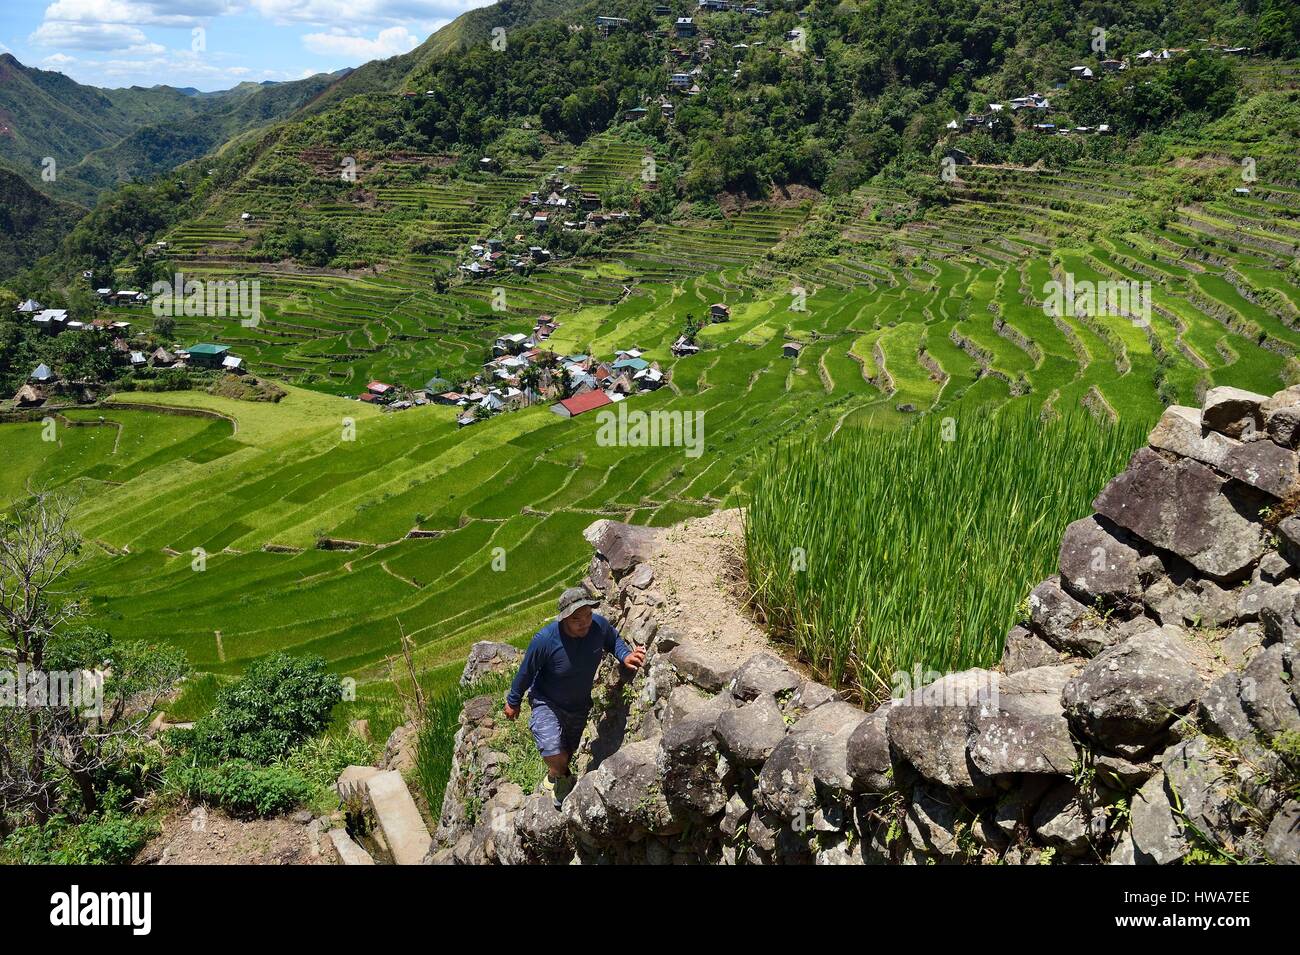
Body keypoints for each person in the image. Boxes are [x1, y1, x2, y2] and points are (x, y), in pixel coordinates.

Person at [505, 586, 646, 808]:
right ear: (564, 619)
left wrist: (625, 655)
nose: (585, 622)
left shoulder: (598, 626)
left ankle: (554, 776)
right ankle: (564, 780)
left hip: (579, 706)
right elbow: (526, 671)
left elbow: (613, 640)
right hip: (546, 702)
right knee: (552, 748)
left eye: (588, 614)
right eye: (576, 618)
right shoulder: (545, 640)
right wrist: (513, 701)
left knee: (566, 753)